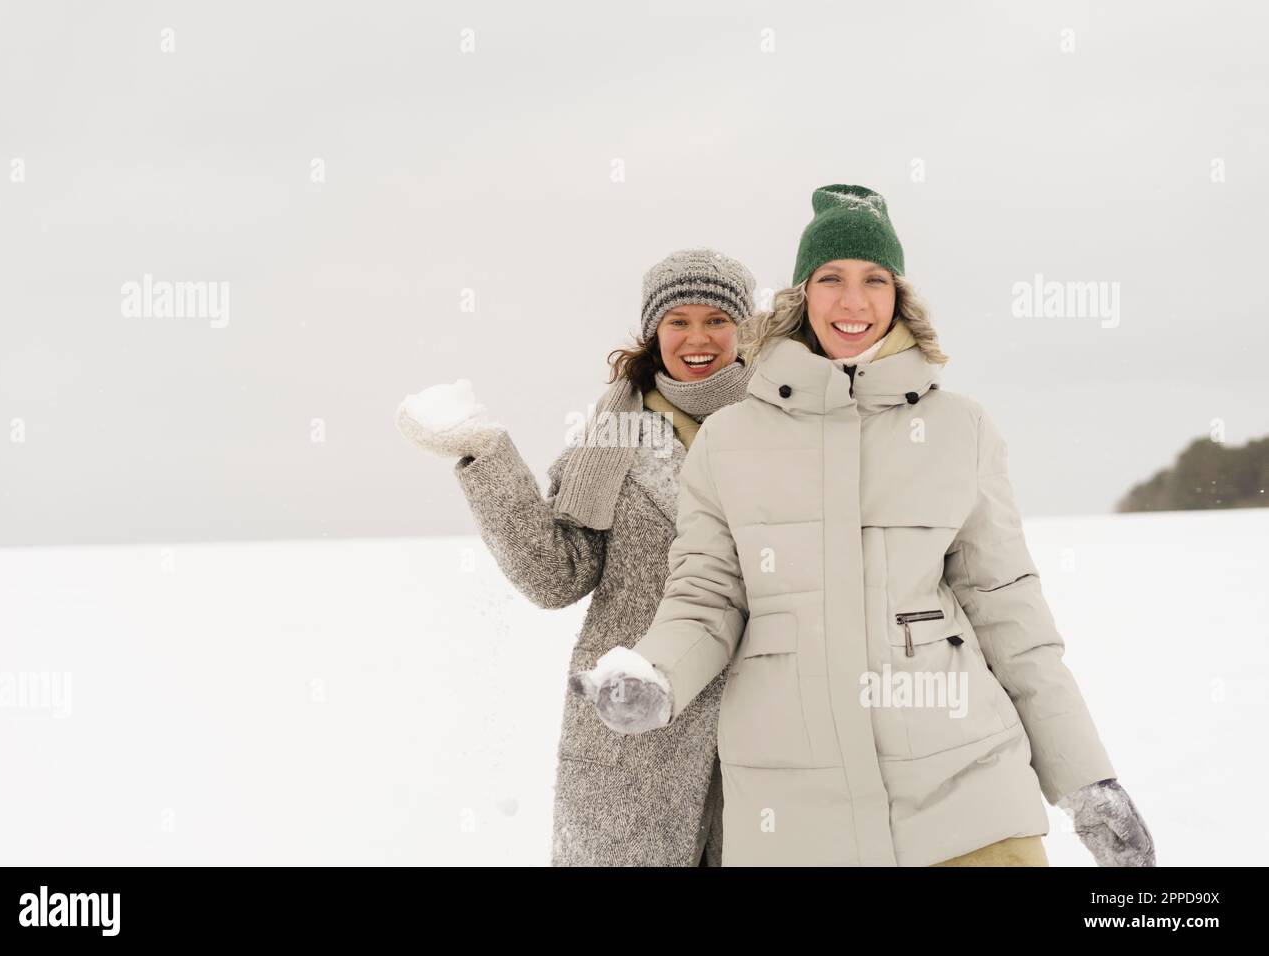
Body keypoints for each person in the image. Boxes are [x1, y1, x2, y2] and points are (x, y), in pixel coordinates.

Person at [570, 185, 1156, 868]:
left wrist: (1087, 779)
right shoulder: (731, 441)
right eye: (832, 279)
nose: (854, 301)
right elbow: (705, 601)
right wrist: (659, 674)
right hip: (795, 822)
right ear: (801, 296)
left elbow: (1011, 613)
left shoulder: (959, 428)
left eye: (874, 279)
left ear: (899, 296)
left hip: (970, 802)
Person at [397, 249, 759, 865]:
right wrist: (483, 453)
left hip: (762, 732)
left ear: (744, 330)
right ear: (653, 333)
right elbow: (555, 574)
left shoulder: (786, 428)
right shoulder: (612, 438)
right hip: (631, 747)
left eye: (716, 319)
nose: (697, 338)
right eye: (678, 321)